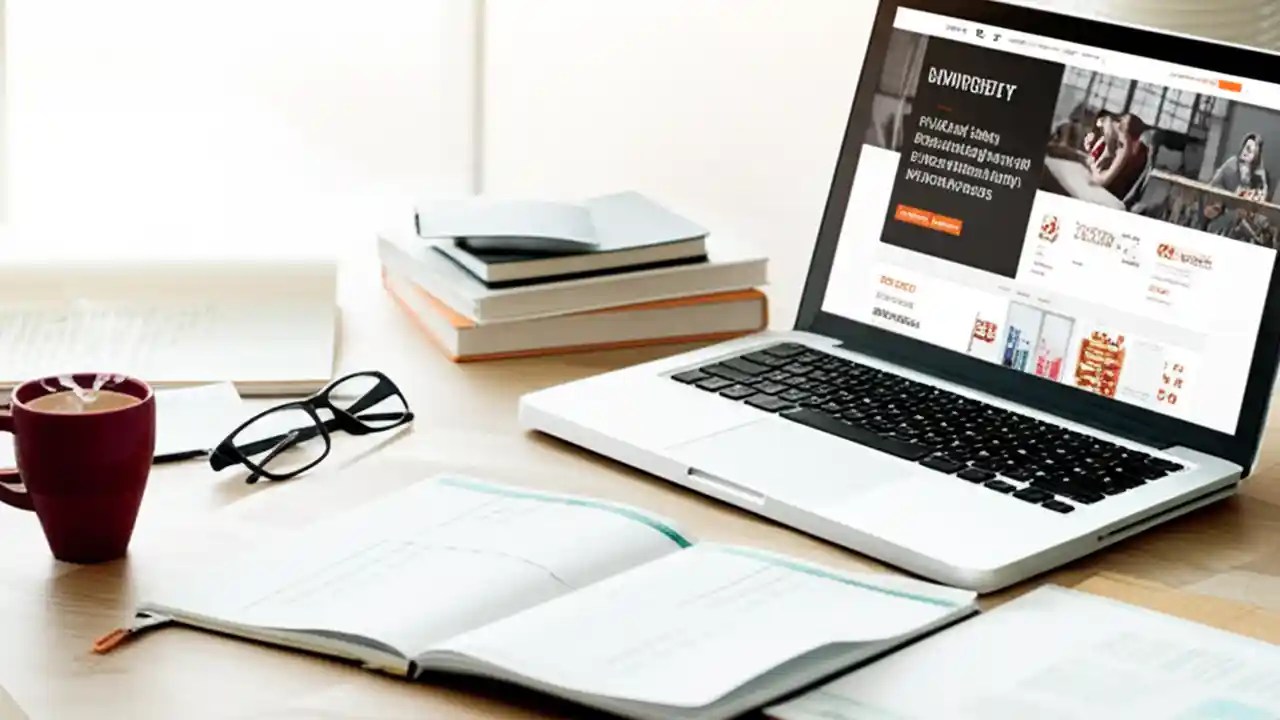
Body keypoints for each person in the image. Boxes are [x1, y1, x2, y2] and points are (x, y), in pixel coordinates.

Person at [1205, 133, 1274, 243]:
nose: (1246, 151)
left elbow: (1262, 197)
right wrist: (1219, 202)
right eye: (1246, 147)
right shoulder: (1231, 164)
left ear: (1257, 153)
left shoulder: (1260, 174)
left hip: (1246, 219)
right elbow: (1215, 184)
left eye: (1251, 149)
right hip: (1224, 212)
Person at [1085, 111, 1149, 201]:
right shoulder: (1112, 144)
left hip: (1106, 195)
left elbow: (1101, 181)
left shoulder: (1125, 149)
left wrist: (1090, 166)